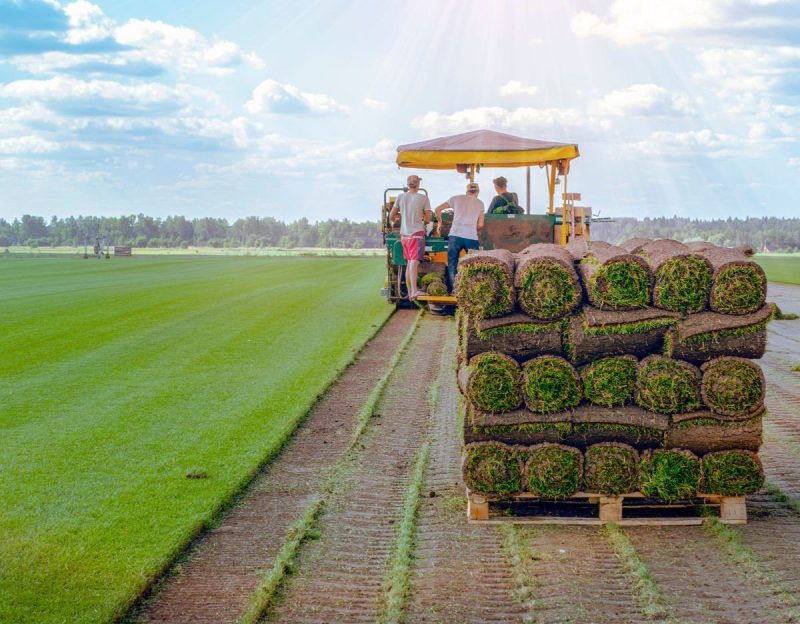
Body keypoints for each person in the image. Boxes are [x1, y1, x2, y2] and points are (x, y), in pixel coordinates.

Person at [434, 182, 485, 290]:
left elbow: (437, 209)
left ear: (466, 191)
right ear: (477, 192)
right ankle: (473, 290)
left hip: (455, 235)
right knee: (474, 264)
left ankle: (455, 290)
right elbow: (481, 224)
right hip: (471, 237)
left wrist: (440, 222)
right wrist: (471, 227)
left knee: (452, 261)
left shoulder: (455, 198)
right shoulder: (480, 203)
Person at [389, 174, 431, 300]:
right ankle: (414, 291)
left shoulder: (401, 197)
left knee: (409, 264)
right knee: (414, 262)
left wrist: (399, 221)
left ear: (408, 185)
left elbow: (391, 216)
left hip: (404, 236)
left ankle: (410, 291)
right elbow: (428, 218)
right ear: (418, 184)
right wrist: (424, 221)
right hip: (416, 234)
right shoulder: (423, 198)